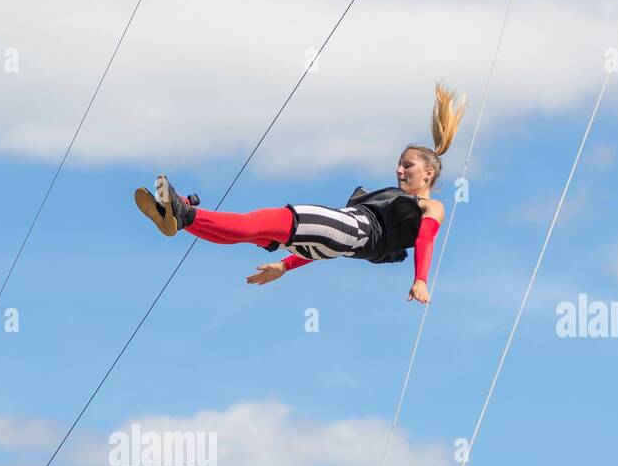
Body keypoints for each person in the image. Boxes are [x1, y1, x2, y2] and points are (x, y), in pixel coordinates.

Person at [134, 82, 466, 304]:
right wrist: (286, 266)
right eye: (398, 164)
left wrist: (421, 280)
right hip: (337, 246)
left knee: (265, 221)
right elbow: (329, 243)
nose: (399, 171)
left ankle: (183, 212)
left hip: (350, 231)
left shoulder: (431, 206)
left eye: (407, 166)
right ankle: (183, 219)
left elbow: (426, 239)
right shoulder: (399, 202)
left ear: (429, 173)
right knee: (257, 232)